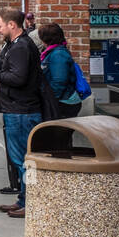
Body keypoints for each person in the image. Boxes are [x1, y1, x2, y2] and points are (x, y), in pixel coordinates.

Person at [0, 8, 41, 219]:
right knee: (22, 159)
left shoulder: (21, 47)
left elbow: (19, 78)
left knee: (25, 159)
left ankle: (32, 202)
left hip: (22, 111)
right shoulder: (16, 45)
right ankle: (24, 200)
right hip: (17, 109)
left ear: (12, 25)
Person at [37, 22, 86, 151]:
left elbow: (59, 81)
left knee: (60, 140)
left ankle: (63, 164)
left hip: (63, 103)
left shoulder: (58, 54)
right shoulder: (54, 51)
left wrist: (50, 101)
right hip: (62, 101)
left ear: (45, 39)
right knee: (60, 138)